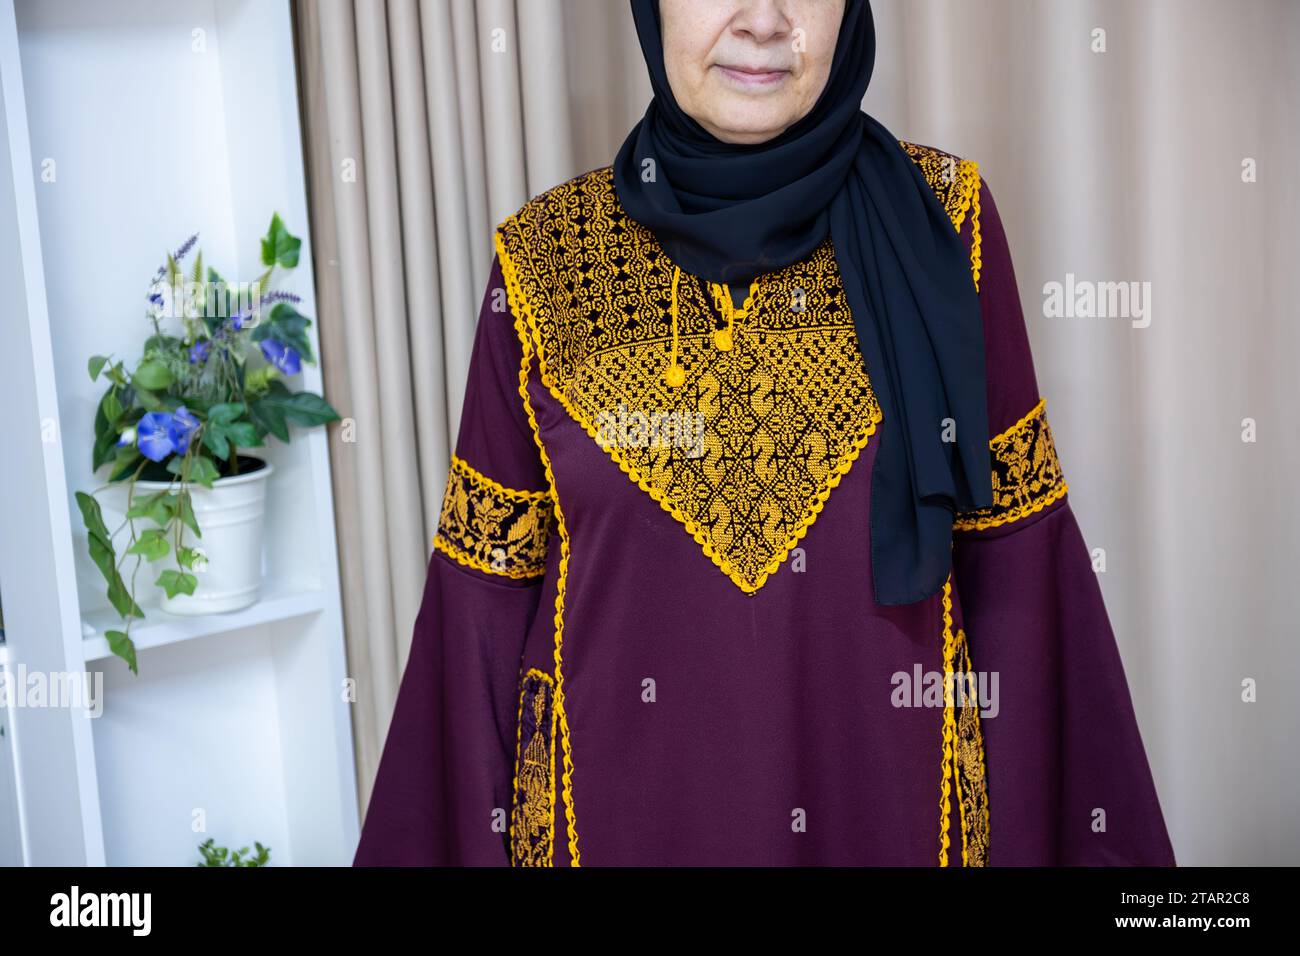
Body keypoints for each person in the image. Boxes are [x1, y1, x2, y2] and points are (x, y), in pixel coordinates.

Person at [353, 0, 1175, 866]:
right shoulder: (544, 260)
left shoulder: (944, 224)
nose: (763, 20)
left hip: (893, 819)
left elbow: (1021, 579)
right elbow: (477, 609)